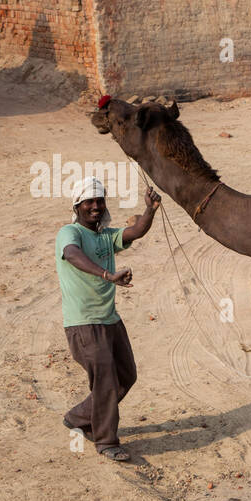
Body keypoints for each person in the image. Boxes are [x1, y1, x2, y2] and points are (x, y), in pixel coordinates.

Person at [56, 176, 160, 461]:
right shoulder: (69, 233)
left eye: (99, 201)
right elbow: (72, 254)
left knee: (126, 375)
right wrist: (107, 275)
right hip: (83, 323)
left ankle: (78, 416)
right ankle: (106, 441)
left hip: (109, 319)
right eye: (89, 201)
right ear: (77, 205)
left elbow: (135, 231)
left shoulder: (105, 236)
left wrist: (149, 209)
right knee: (105, 380)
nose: (95, 207)